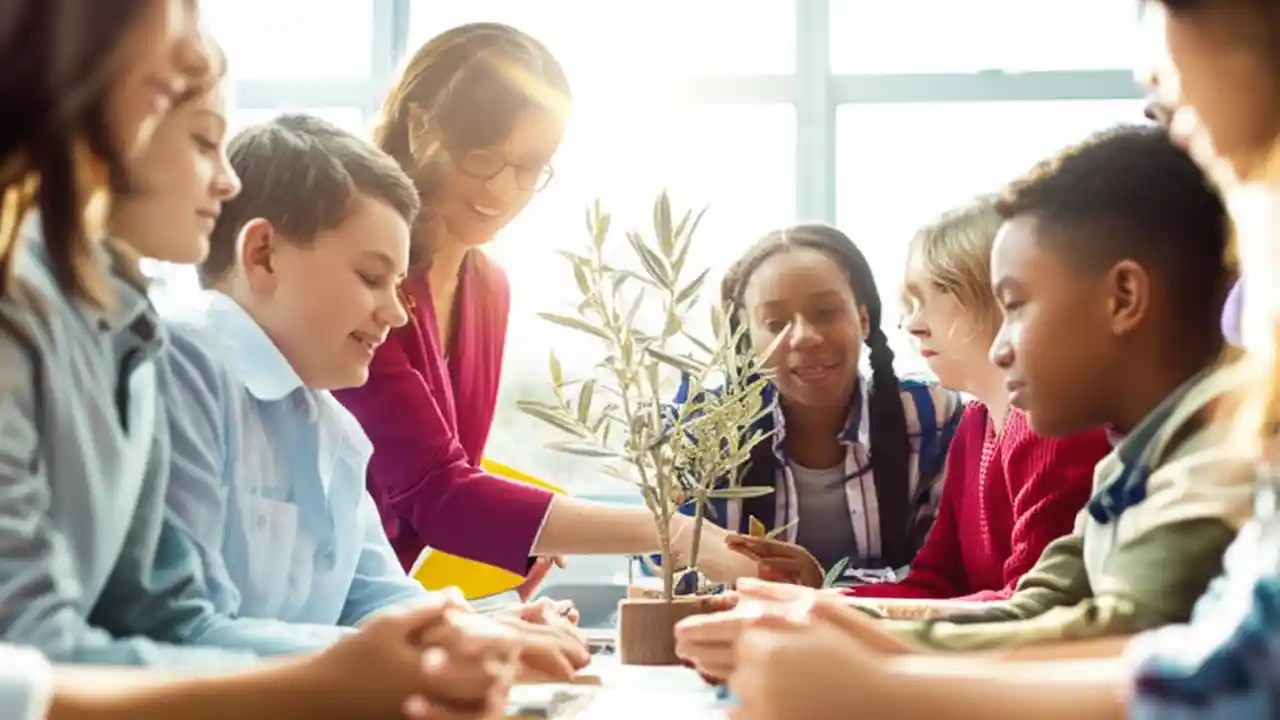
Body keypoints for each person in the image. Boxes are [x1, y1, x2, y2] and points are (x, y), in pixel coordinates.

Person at [0, 1, 514, 717]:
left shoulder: (130, 338)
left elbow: (165, 616)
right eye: (201, 140)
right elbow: (39, 649)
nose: (228, 181)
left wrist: (443, 645)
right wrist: (329, 680)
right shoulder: (159, 350)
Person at [678, 125, 1246, 687]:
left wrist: (847, 645)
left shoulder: (1216, 458)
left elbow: (1117, 632)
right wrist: (822, 615)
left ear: (1122, 298)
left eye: (1014, 306)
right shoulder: (1124, 461)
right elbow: (1036, 604)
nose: (1000, 346)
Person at [158, 110, 585, 679]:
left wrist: (483, 630)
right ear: (262, 254)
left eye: (398, 286)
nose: (395, 313)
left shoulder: (333, 427)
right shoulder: (178, 368)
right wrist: (436, 649)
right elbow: (181, 630)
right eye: (370, 277)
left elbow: (378, 600)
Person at [332, 22, 754, 590]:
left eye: (529, 167)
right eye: (481, 155)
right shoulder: (367, 281)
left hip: (385, 595)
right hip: (319, 591)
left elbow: (450, 471)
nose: (502, 190)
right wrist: (675, 534)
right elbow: (434, 493)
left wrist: (521, 539)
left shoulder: (488, 290)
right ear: (419, 127)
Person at [839, 197, 1106, 604]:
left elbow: (1030, 608)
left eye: (929, 296)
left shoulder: (1055, 427)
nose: (912, 325)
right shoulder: (974, 424)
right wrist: (816, 603)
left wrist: (829, 614)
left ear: (994, 290)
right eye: (910, 306)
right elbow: (936, 581)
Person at [699, 224, 963, 582]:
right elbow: (672, 571)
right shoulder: (704, 433)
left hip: (883, 621)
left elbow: (946, 573)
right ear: (745, 342)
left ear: (863, 320)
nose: (805, 337)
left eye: (826, 312)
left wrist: (824, 587)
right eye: (776, 323)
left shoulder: (929, 416)